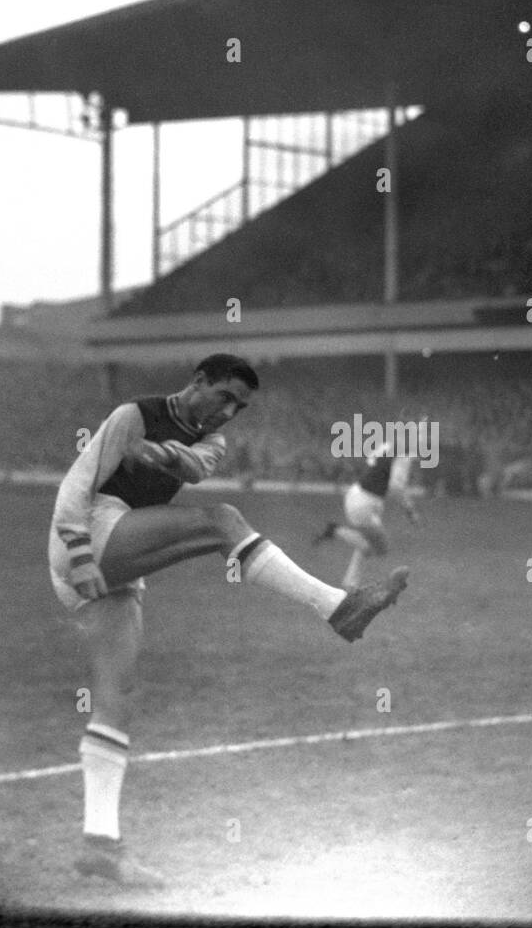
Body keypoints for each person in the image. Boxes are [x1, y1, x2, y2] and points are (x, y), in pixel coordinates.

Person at [48, 353, 408, 884]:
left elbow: (194, 466)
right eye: (224, 397)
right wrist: (79, 555)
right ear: (198, 381)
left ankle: (100, 844)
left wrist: (166, 453)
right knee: (222, 522)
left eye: (239, 407)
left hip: (119, 561)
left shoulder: (209, 440)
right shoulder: (132, 414)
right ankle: (337, 605)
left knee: (116, 698)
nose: (228, 412)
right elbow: (76, 489)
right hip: (85, 537)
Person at [315, 436, 420, 589]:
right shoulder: (403, 456)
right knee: (378, 547)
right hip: (364, 504)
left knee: (368, 543)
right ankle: (335, 530)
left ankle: (350, 584)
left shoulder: (387, 446)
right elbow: (396, 488)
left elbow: (372, 463)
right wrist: (410, 511)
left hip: (361, 497)